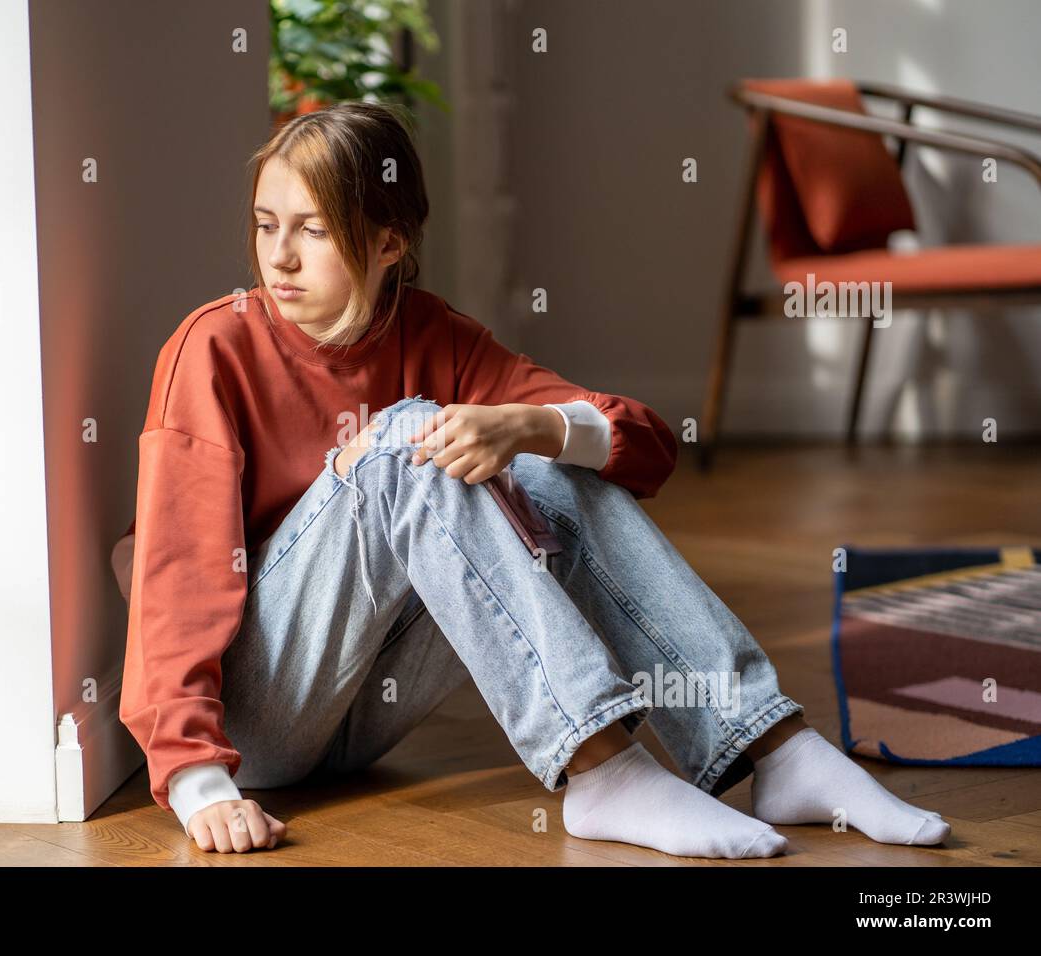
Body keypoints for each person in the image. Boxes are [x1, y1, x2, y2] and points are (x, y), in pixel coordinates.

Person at [117, 101, 950, 859]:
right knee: (409, 436)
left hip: (361, 716)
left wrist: (533, 426)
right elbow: (176, 571)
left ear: (387, 242)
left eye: (314, 230)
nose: (280, 257)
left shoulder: (436, 334)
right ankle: (602, 772)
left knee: (549, 466)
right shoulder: (214, 347)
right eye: (266, 226)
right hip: (256, 719)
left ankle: (776, 747)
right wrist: (195, 776)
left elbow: (646, 447)